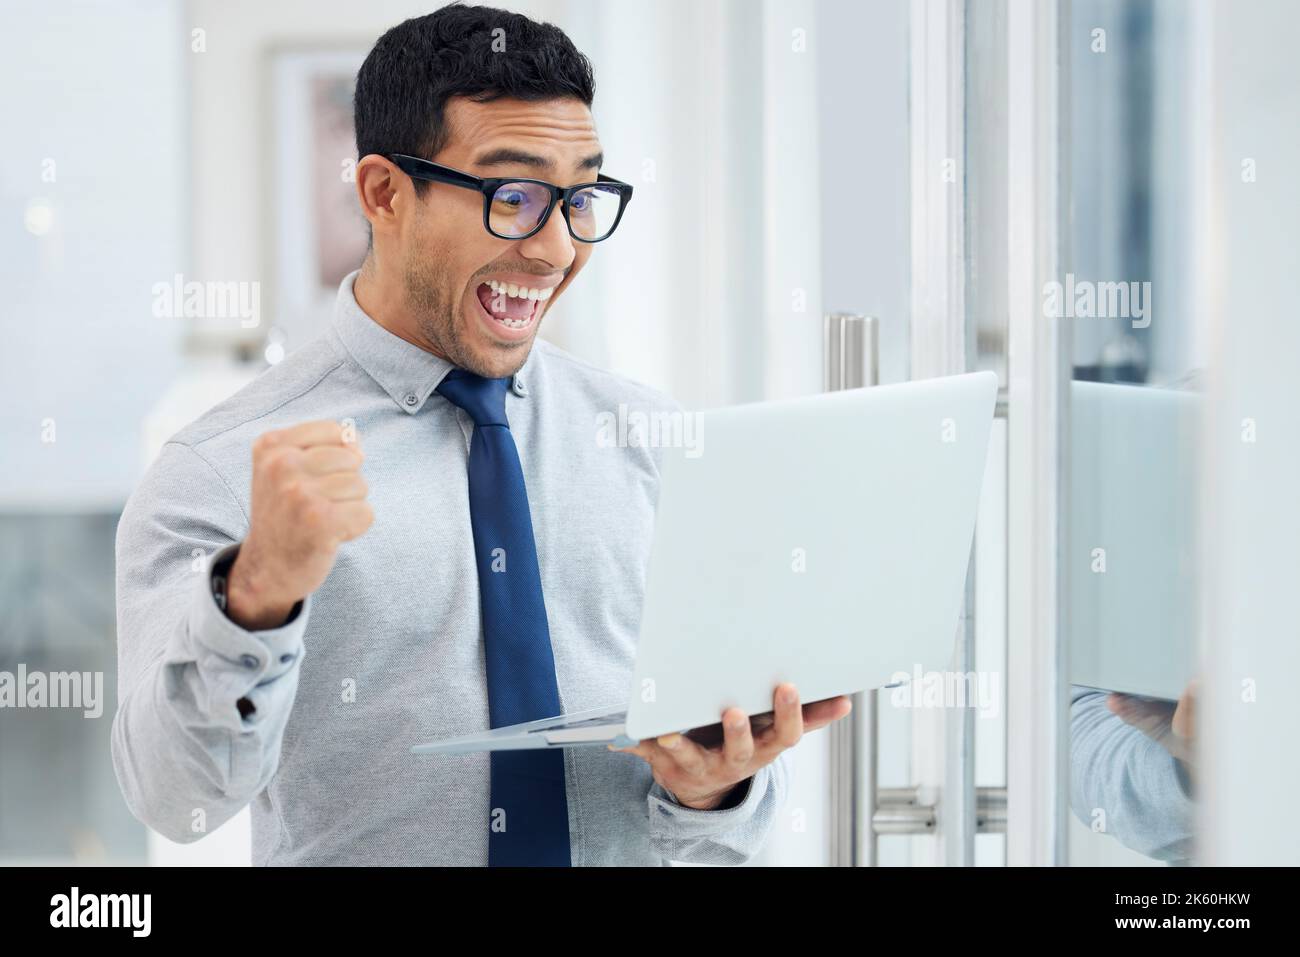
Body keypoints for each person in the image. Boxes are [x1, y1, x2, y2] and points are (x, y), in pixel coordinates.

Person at [111, 3, 850, 866]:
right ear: (385, 193)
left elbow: (720, 832)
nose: (555, 249)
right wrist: (257, 593)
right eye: (515, 196)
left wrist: (715, 785)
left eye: (581, 199)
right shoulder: (221, 468)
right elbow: (177, 799)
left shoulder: (654, 441)